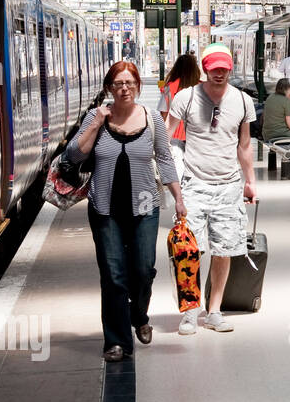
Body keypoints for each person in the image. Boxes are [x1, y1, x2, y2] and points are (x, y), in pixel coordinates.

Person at [66, 62, 183, 362]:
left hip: (145, 207)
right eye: (118, 83)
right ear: (109, 87)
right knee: (113, 275)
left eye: (130, 82)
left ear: (138, 86)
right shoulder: (96, 117)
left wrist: (178, 199)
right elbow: (74, 155)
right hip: (105, 209)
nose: (124, 88)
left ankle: (140, 316)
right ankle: (117, 341)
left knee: (143, 270)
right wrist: (95, 123)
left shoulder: (152, 118)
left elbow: (165, 159)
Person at [165, 42, 258, 335]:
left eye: (224, 68)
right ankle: (190, 311)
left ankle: (214, 310)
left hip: (229, 186)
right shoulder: (186, 98)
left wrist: (250, 182)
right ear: (205, 68)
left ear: (230, 69)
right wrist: (173, 183)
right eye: (214, 68)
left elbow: (244, 146)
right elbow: (166, 138)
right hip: (194, 183)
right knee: (190, 250)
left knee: (224, 249)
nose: (219, 73)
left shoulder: (243, 101)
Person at [158, 53, 201, 178]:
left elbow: (163, 115)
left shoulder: (169, 88)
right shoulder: (202, 87)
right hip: (197, 135)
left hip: (175, 136)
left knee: (178, 170)